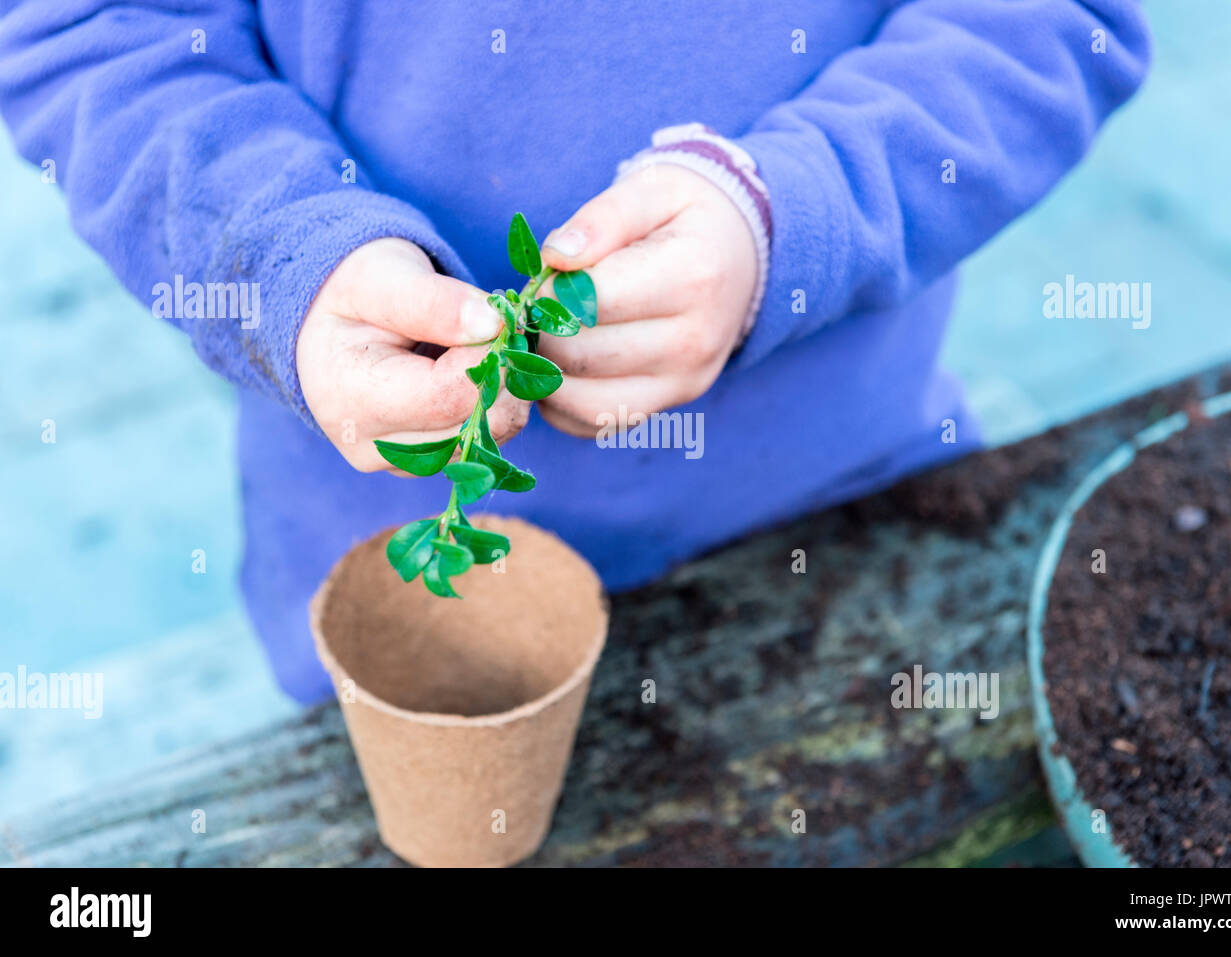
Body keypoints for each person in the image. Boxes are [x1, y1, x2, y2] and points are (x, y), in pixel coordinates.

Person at [0, 1, 1150, 702]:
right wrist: (281, 256)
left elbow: (1054, 13)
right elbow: (94, 27)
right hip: (381, 595)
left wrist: (794, 211)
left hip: (851, 530)